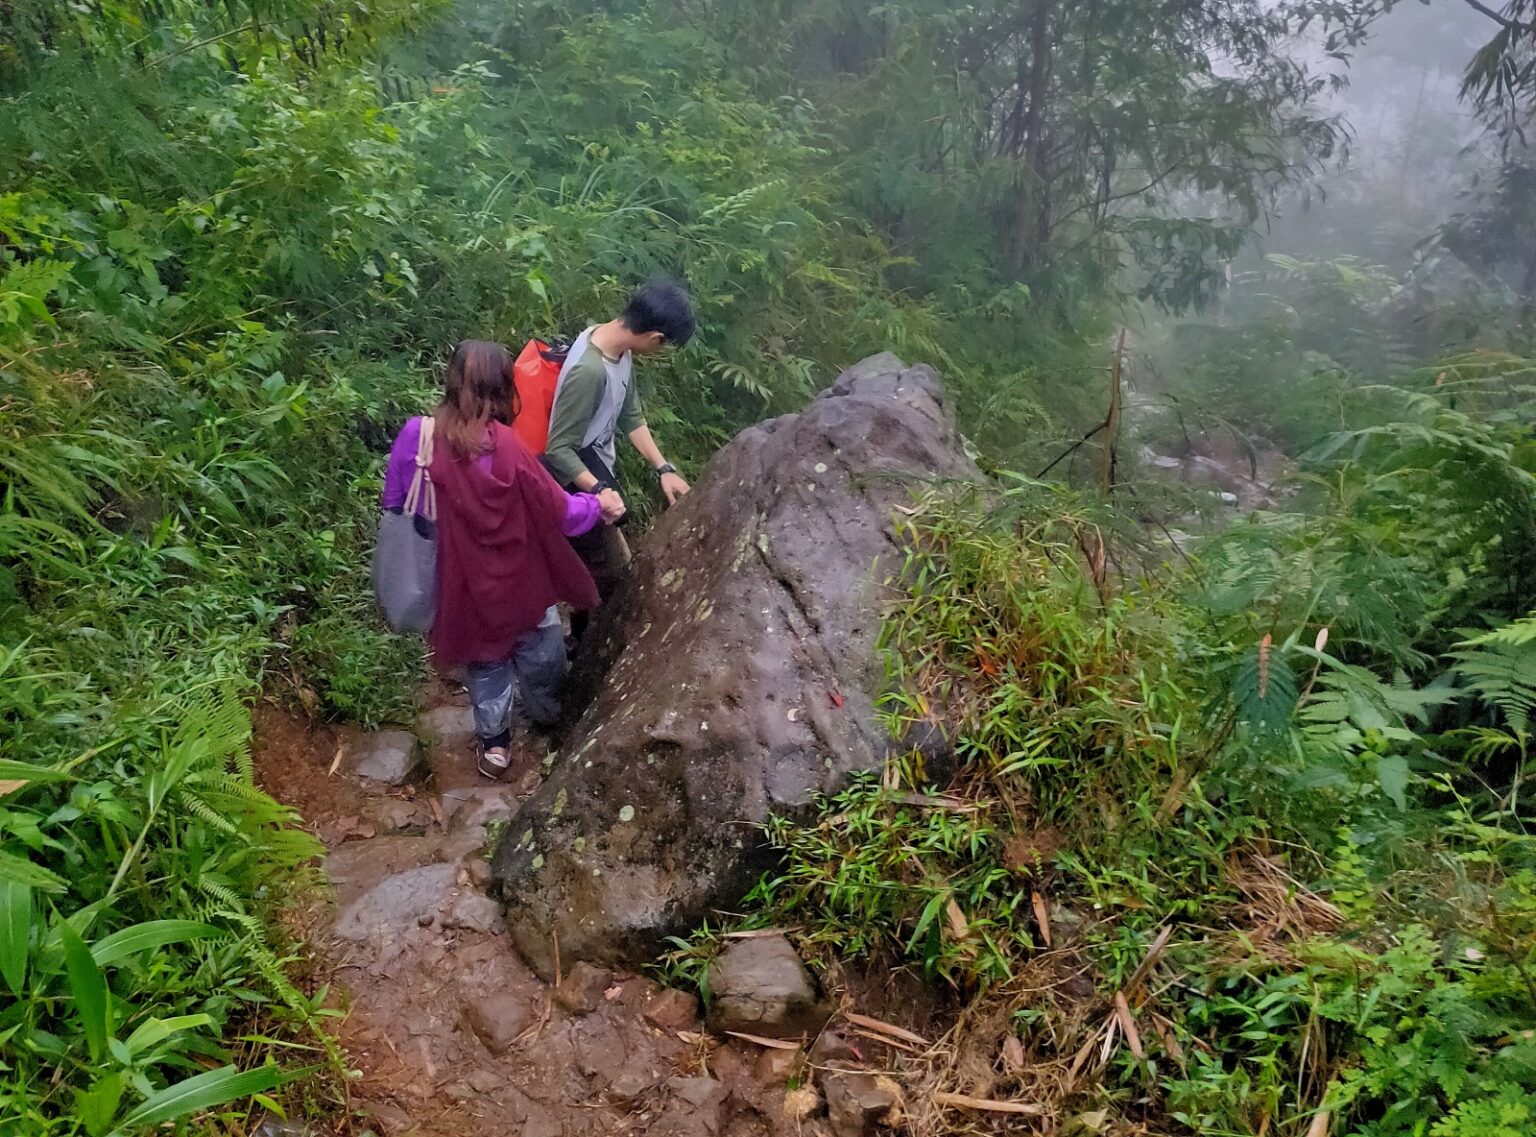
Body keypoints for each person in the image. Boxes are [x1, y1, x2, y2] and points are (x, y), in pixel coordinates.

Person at [382, 341, 625, 780]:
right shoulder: (508, 447)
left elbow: (396, 503)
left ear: (452, 380)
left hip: (461, 580)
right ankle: (550, 715)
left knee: (484, 659)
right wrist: (599, 504)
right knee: (541, 646)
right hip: (521, 577)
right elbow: (562, 512)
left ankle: (494, 744)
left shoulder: (418, 438)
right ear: (503, 388)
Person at [542, 279, 695, 605]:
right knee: (612, 577)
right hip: (578, 483)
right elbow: (558, 448)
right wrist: (599, 492)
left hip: (595, 472)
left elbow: (630, 414)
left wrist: (664, 468)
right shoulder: (590, 371)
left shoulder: (616, 346)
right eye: (663, 345)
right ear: (655, 337)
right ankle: (584, 632)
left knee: (606, 569)